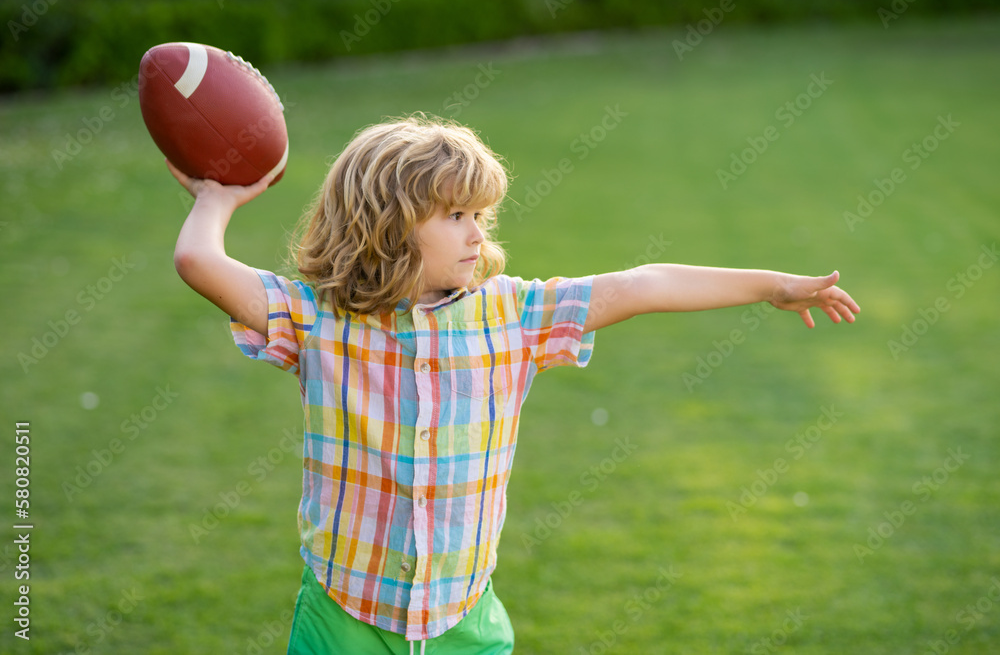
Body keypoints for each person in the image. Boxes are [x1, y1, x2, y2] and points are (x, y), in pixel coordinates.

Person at [169, 115, 860, 654]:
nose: (477, 234)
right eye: (456, 215)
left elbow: (645, 283)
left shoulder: (514, 314)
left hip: (464, 618)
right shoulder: (320, 320)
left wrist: (772, 286)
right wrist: (216, 195)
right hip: (344, 616)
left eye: (481, 217)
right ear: (387, 223)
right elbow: (198, 259)